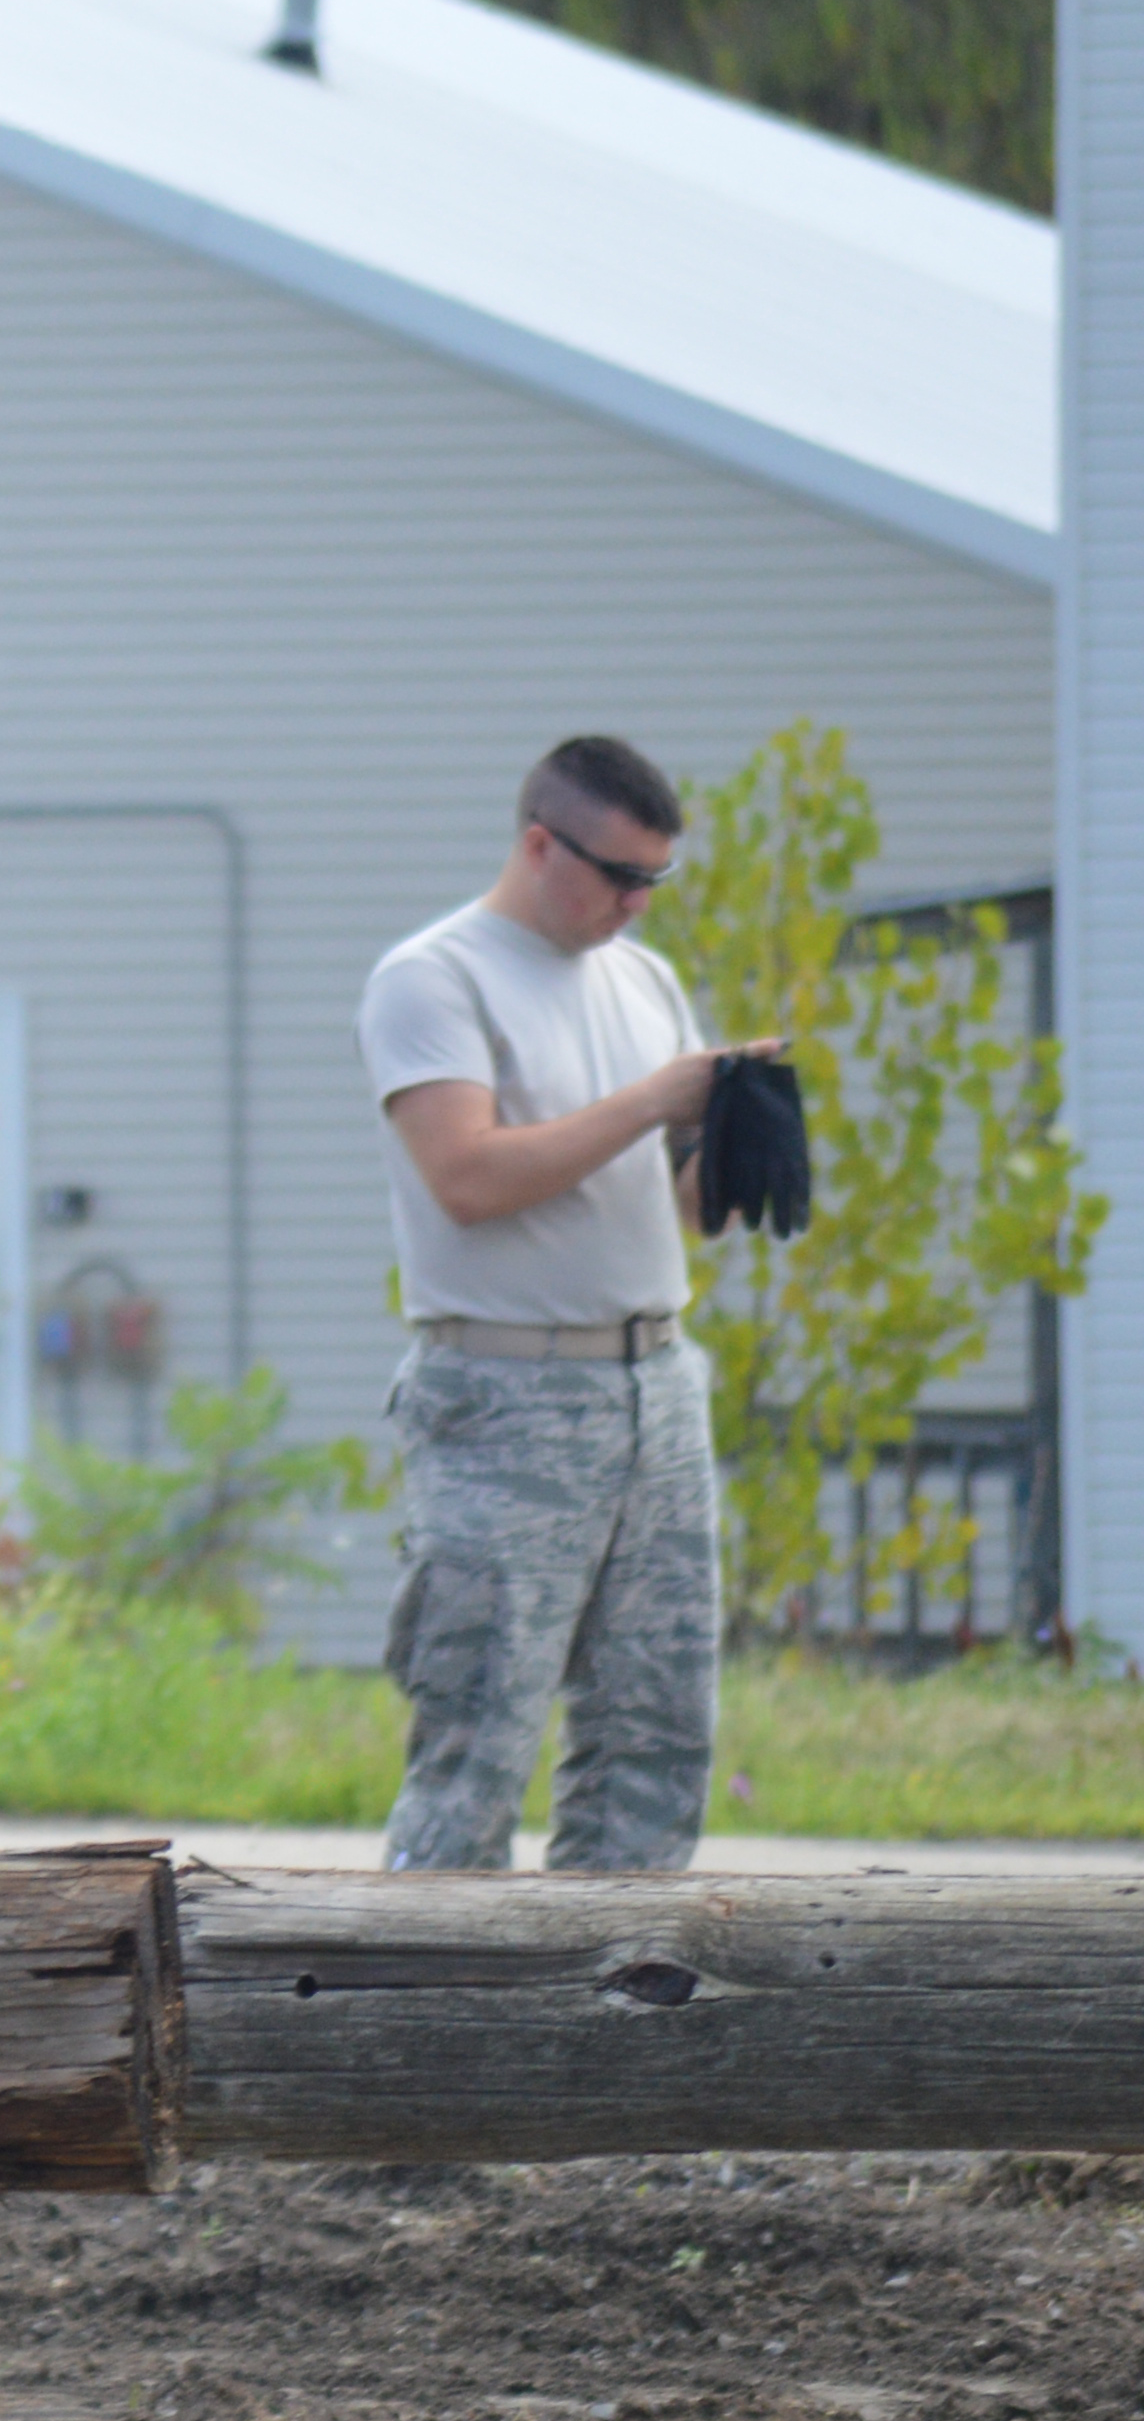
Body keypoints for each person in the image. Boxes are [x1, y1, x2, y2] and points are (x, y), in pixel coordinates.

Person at [359, 735, 772, 1871]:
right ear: (540, 844)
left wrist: (736, 1138)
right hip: (504, 1395)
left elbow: (682, 1205)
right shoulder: (433, 975)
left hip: (653, 1377)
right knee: (478, 1738)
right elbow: (468, 1177)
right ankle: (431, 2028)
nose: (636, 904)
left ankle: (616, 2018)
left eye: (656, 880)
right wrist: (651, 1100)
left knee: (655, 1734)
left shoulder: (642, 979)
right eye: (617, 875)